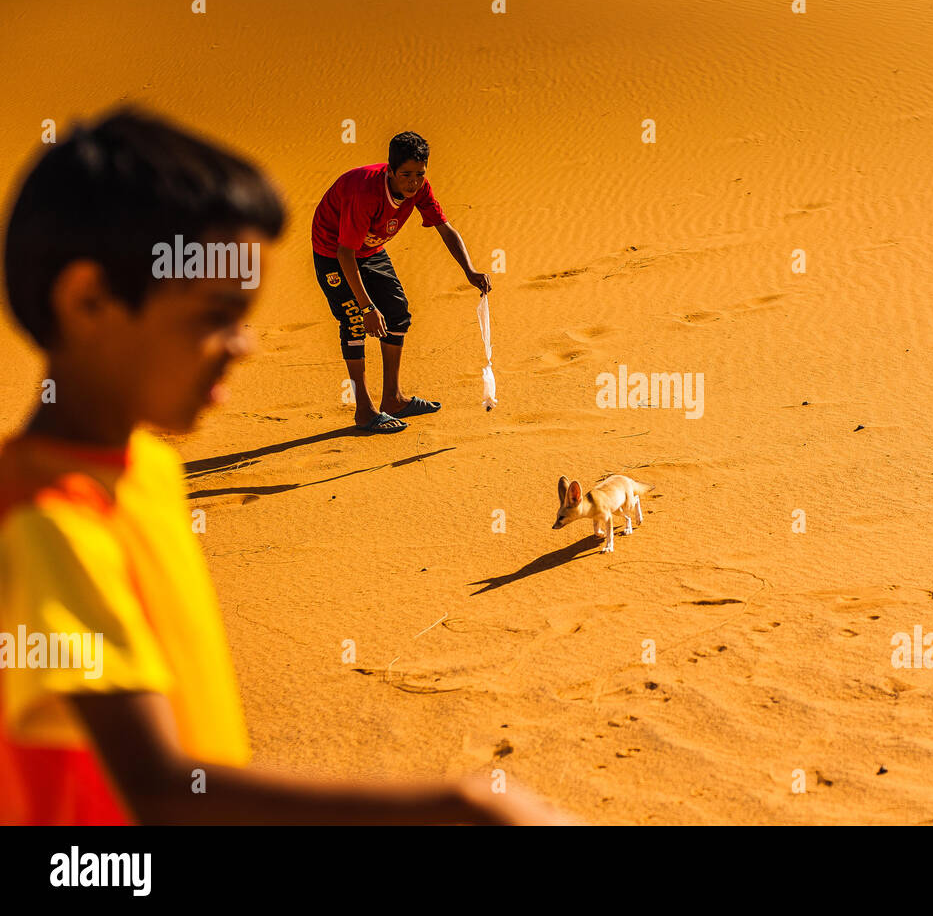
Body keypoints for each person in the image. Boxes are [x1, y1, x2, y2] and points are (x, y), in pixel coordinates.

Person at [0, 109, 558, 824]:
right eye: (216, 315)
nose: (245, 345)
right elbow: (155, 786)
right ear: (89, 301)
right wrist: (450, 807)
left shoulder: (145, 469)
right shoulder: (45, 521)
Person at [311, 132, 492, 433]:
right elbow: (345, 253)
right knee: (355, 321)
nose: (414, 182)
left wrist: (469, 270)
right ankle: (364, 410)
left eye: (420, 174)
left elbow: (445, 228)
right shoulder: (365, 193)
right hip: (334, 252)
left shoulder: (419, 189)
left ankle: (393, 399)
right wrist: (367, 306)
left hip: (370, 249)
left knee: (397, 312)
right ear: (390, 171)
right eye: (406, 175)